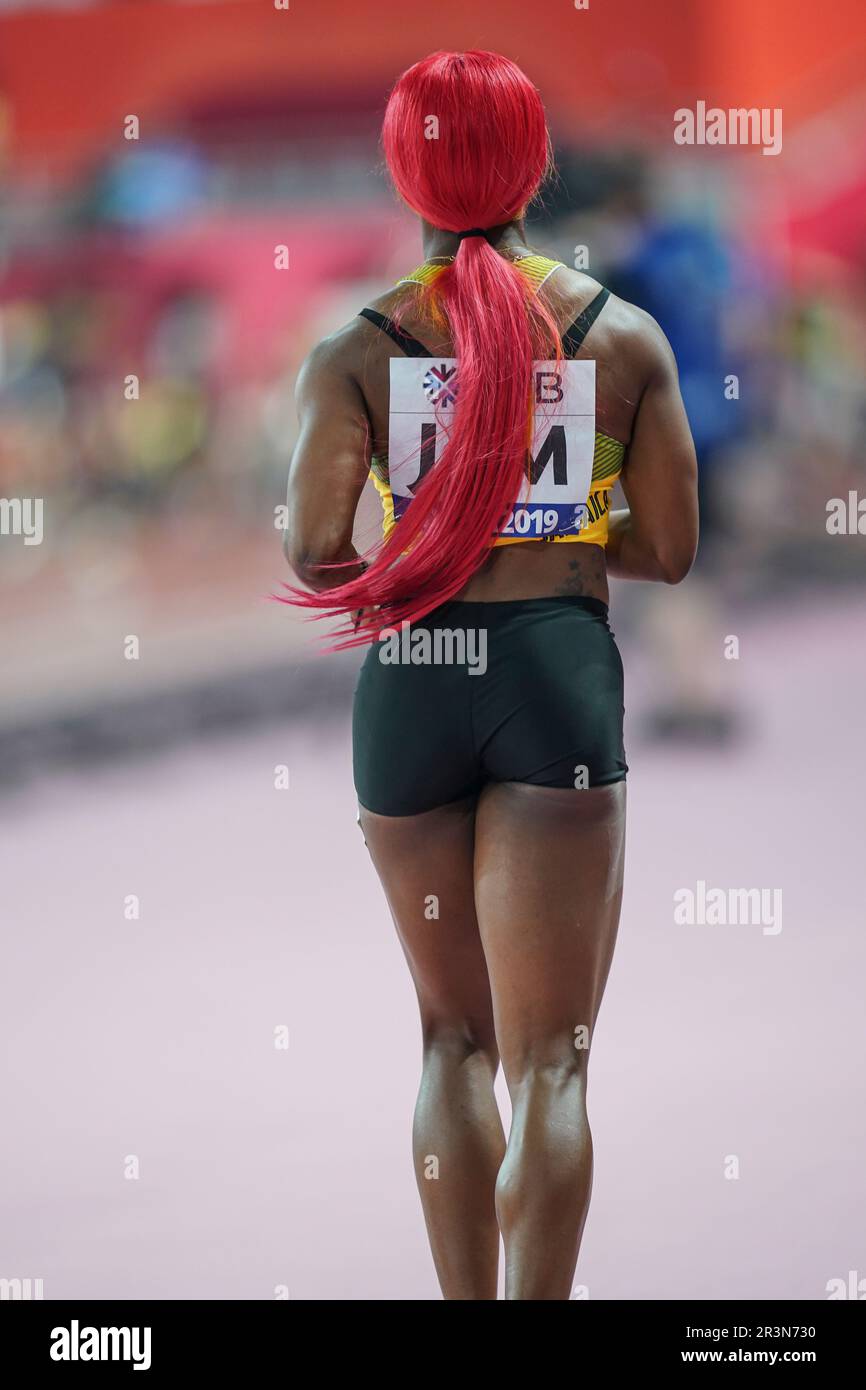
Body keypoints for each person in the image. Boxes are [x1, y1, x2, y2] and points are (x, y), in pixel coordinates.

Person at [279, 50, 698, 1300]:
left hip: (412, 676)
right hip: (552, 670)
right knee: (552, 1062)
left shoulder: (354, 350)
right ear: (533, 167)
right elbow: (669, 551)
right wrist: (546, 516)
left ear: (403, 170)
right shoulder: (616, 336)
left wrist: (441, 523)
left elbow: (310, 549)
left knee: (449, 1039)